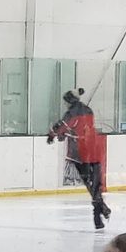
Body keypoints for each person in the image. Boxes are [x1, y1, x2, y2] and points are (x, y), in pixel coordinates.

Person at [47, 89, 111, 229]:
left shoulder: (72, 112)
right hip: (94, 148)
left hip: (81, 152)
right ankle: (99, 214)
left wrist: (52, 134)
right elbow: (81, 128)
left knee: (89, 183)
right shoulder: (88, 110)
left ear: (69, 101)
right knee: (94, 183)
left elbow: (63, 125)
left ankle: (101, 211)